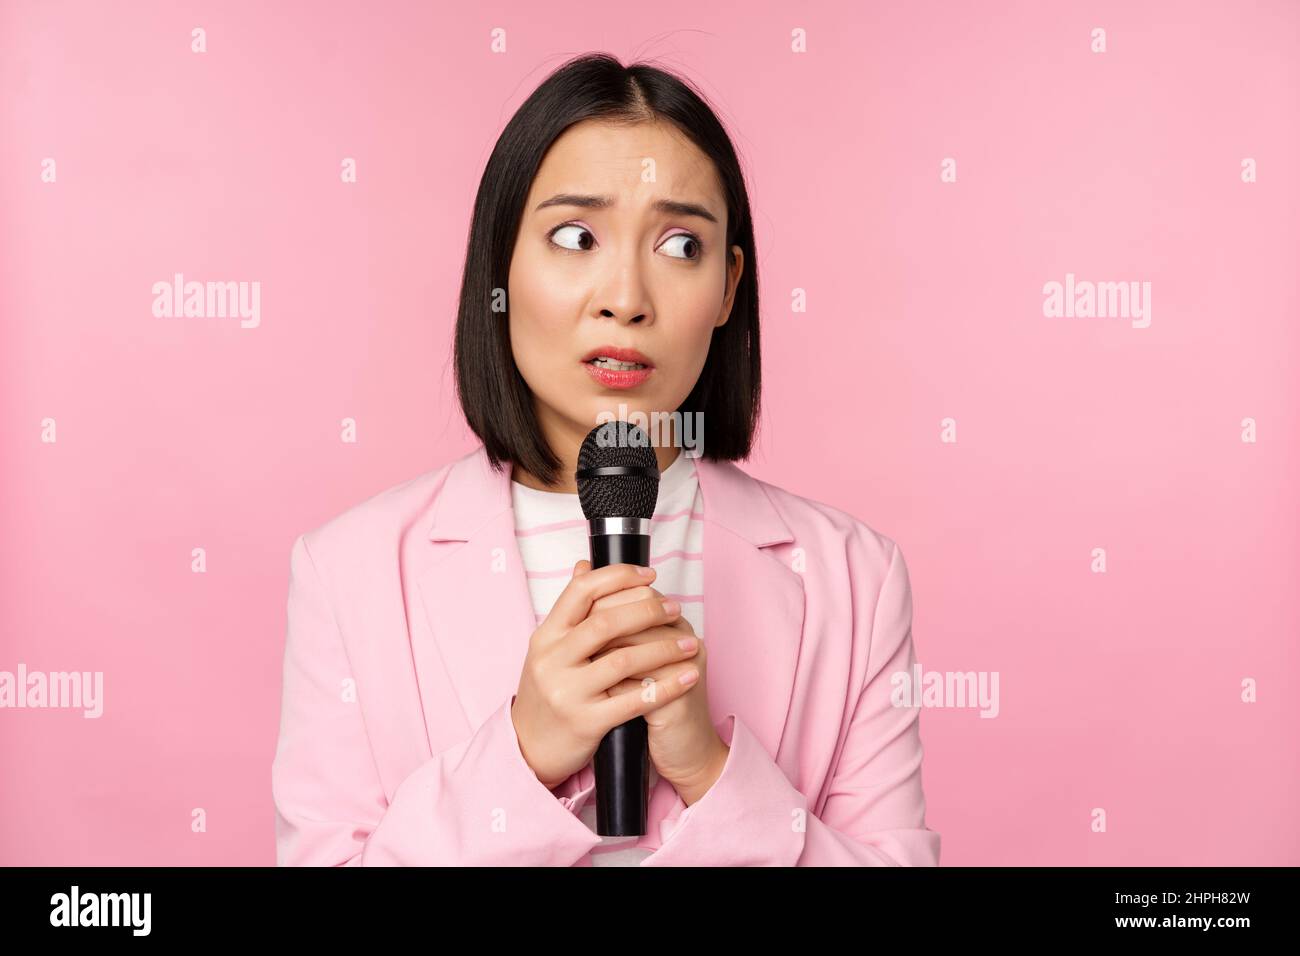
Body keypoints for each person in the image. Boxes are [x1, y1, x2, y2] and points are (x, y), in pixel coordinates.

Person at [272, 52, 941, 867]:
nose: (625, 296)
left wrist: (712, 773)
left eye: (681, 245)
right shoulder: (350, 573)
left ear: (729, 287)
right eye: (575, 236)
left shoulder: (856, 579)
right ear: (501, 268)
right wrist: (523, 753)